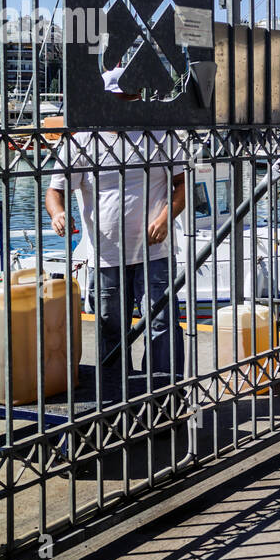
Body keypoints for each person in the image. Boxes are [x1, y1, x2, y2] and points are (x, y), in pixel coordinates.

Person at [45, 69, 187, 380]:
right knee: (111, 329)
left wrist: (166, 217)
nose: (129, 105)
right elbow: (55, 191)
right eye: (122, 99)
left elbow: (181, 184)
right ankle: (116, 397)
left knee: (161, 324)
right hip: (106, 256)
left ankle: (164, 394)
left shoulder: (160, 135)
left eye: (133, 99)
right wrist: (57, 213)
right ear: (106, 100)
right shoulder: (82, 141)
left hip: (155, 253)